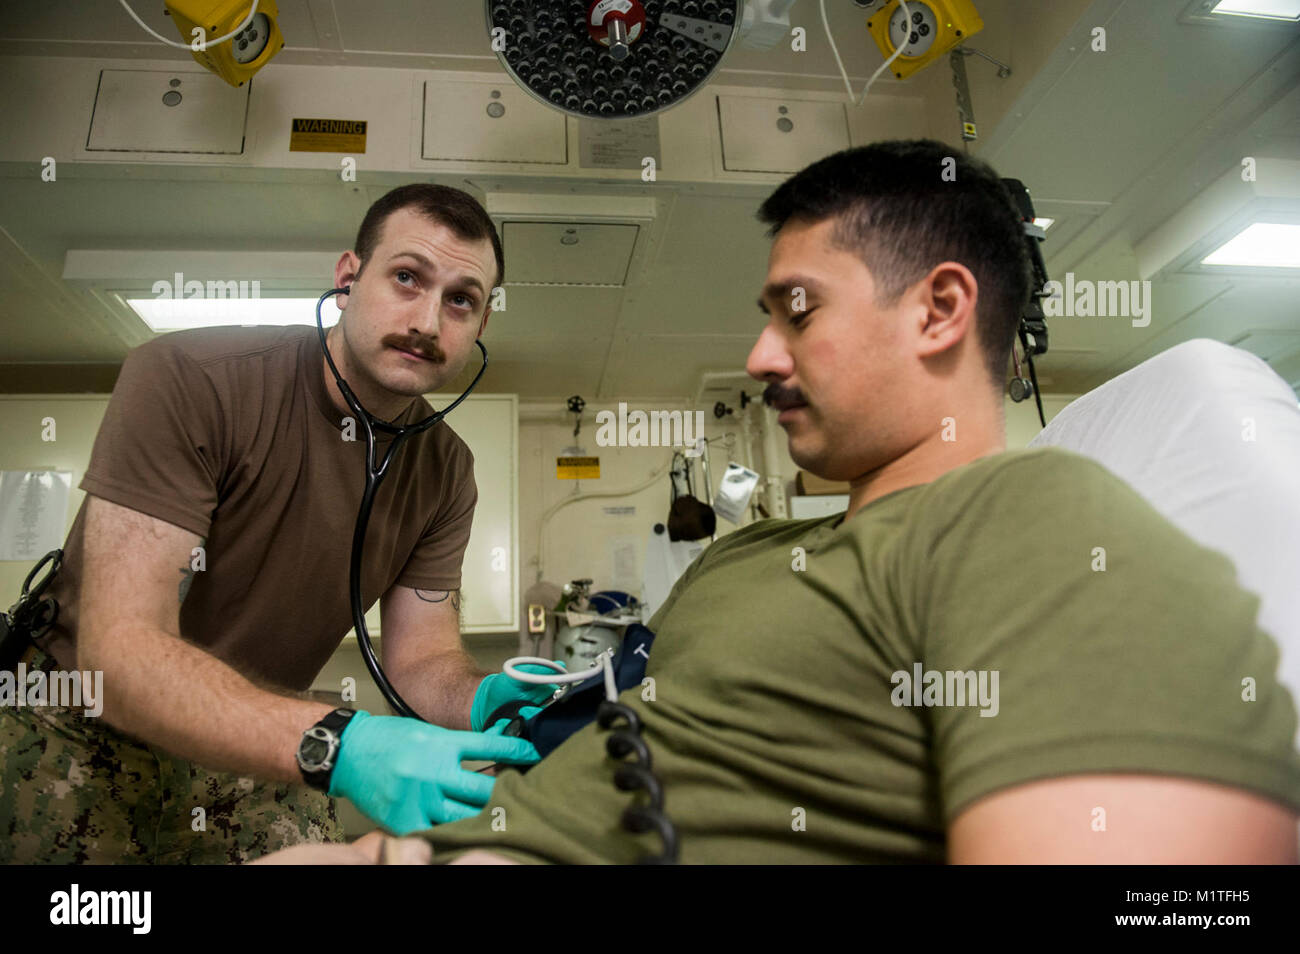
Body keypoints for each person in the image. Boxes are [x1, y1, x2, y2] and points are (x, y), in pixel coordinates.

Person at [405, 138, 1297, 863]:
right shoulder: (740, 557)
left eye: (799, 312)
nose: (760, 356)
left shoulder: (1034, 523)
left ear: (938, 309)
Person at [0, 184, 550, 864]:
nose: (429, 322)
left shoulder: (446, 469)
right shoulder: (189, 378)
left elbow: (422, 660)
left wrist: (482, 698)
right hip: (79, 725)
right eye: (407, 278)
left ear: (482, 323)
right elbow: (121, 655)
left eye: (461, 299)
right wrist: (342, 744)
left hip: (256, 735)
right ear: (348, 278)